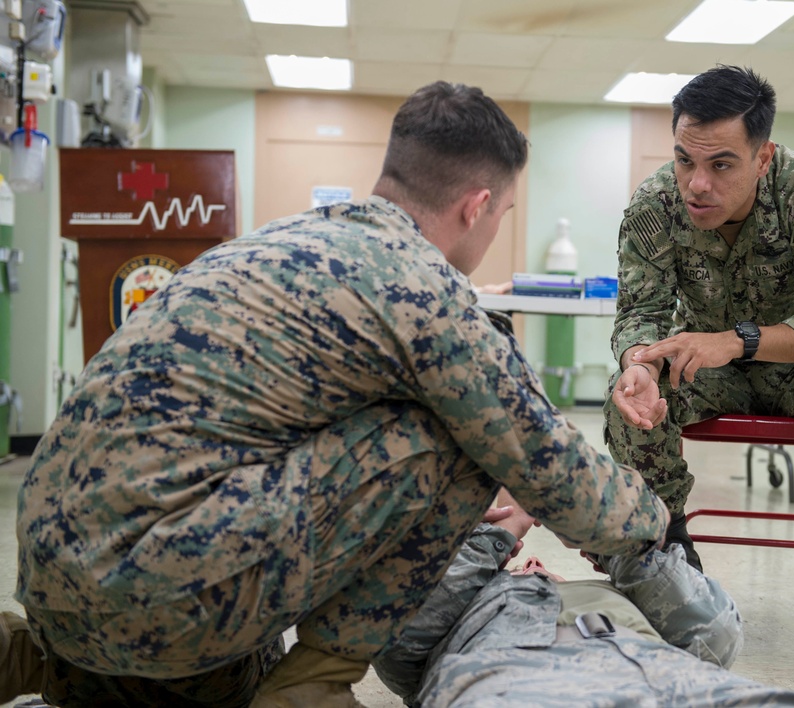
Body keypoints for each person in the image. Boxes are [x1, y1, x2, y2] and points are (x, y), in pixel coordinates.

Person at [9, 81, 670, 708]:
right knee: (463, 435)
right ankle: (315, 684)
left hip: (50, 572)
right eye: (500, 213)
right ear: (476, 207)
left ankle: (33, 655)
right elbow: (560, 477)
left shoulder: (278, 240)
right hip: (161, 599)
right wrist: (657, 518)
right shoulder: (424, 293)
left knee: (226, 679)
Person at [603, 65, 794, 672]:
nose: (696, 184)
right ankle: (671, 558)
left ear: (763, 157)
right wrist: (637, 363)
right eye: (686, 159)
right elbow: (641, 312)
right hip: (709, 367)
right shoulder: (655, 207)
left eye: (721, 165)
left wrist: (736, 340)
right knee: (633, 398)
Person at [372, 492, 794, 707]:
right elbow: (397, 640)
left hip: (670, 682)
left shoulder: (620, 597)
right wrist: (497, 532)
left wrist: (615, 543)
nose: (531, 567)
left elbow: (716, 632)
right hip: (512, 684)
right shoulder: (465, 604)